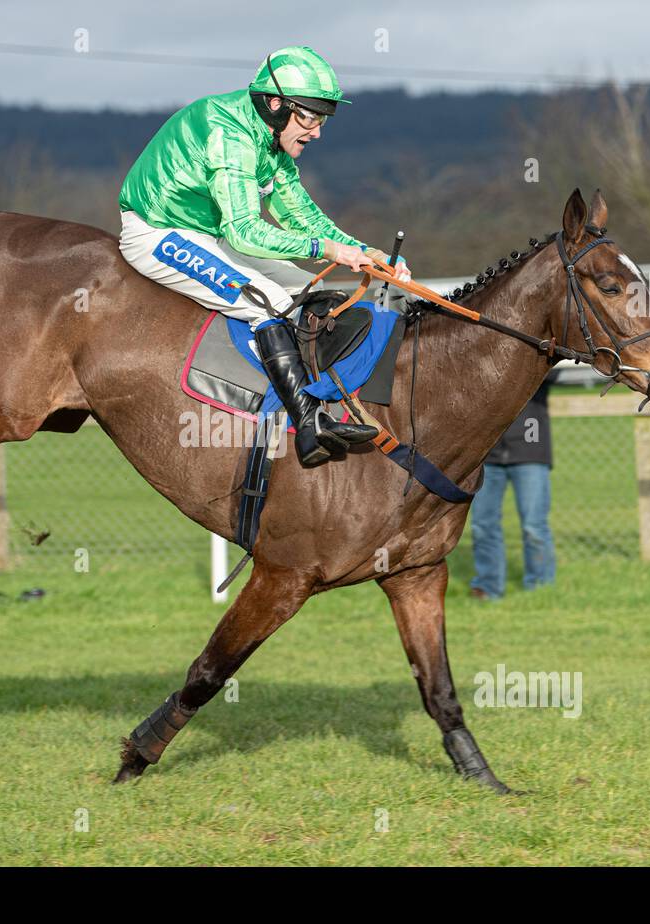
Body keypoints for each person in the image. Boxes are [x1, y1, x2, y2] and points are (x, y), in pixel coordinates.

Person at [117, 46, 411, 467]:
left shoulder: (270, 140)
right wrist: (330, 250)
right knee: (268, 302)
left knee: (310, 288)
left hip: (207, 233)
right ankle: (306, 423)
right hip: (155, 231)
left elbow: (299, 215)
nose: (317, 132)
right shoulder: (230, 133)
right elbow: (244, 232)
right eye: (309, 117)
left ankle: (324, 398)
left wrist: (365, 253)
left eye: (323, 119)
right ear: (275, 105)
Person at [469, 372, 559, 600]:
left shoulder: (535, 358)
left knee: (534, 526)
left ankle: (541, 589)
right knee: (482, 525)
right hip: (486, 455)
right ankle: (488, 588)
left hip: (530, 452)